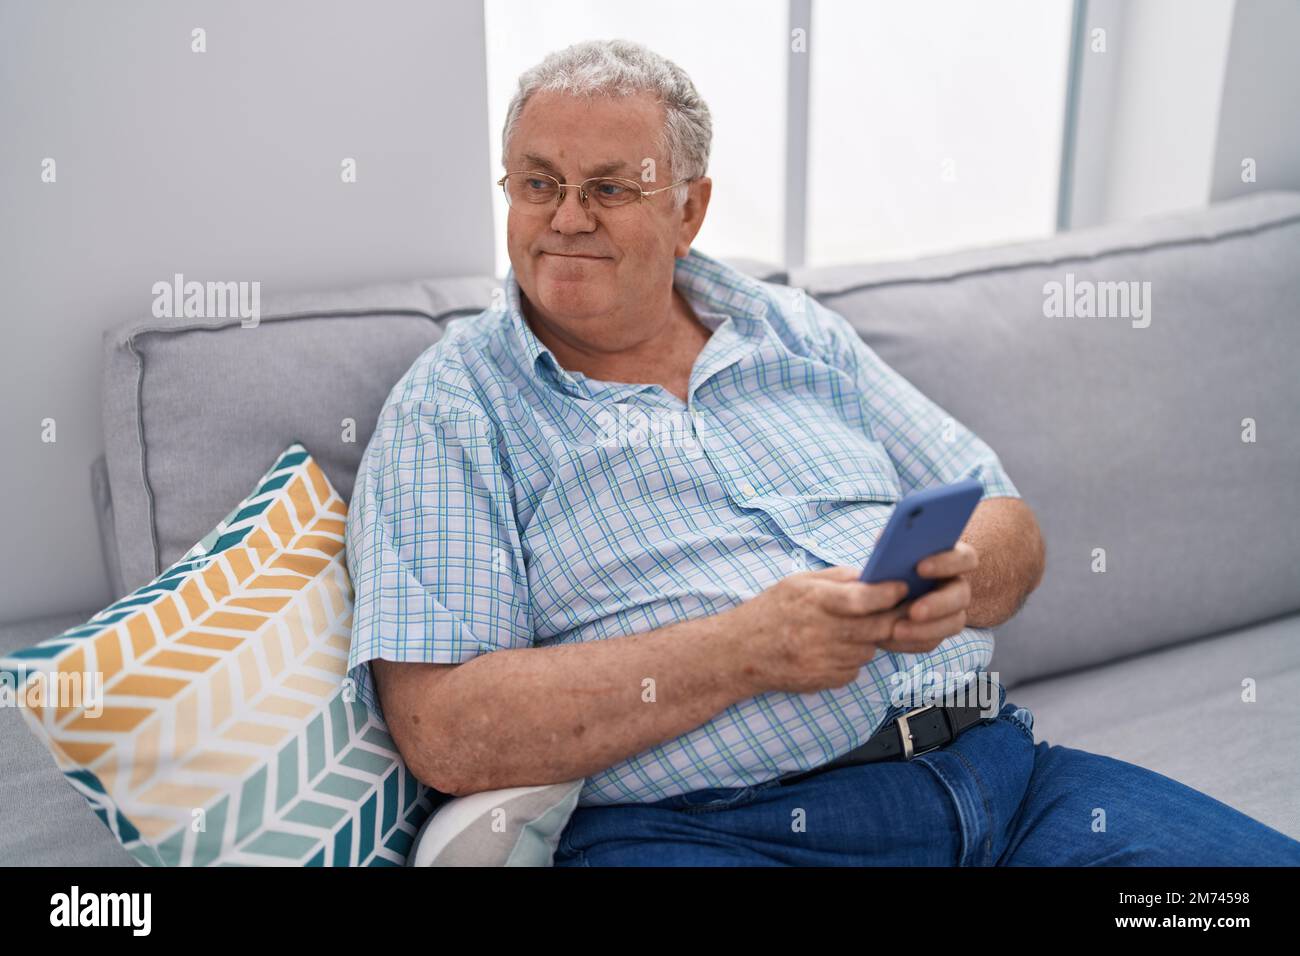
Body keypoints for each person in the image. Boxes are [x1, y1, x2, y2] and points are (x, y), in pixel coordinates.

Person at [344, 39, 1300, 865]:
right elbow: (444, 729)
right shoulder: (454, 408)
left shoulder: (788, 329)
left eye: (609, 188)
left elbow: (1008, 520)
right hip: (715, 834)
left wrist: (958, 579)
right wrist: (743, 652)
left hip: (1007, 788)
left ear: (689, 211)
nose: (566, 218)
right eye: (539, 182)